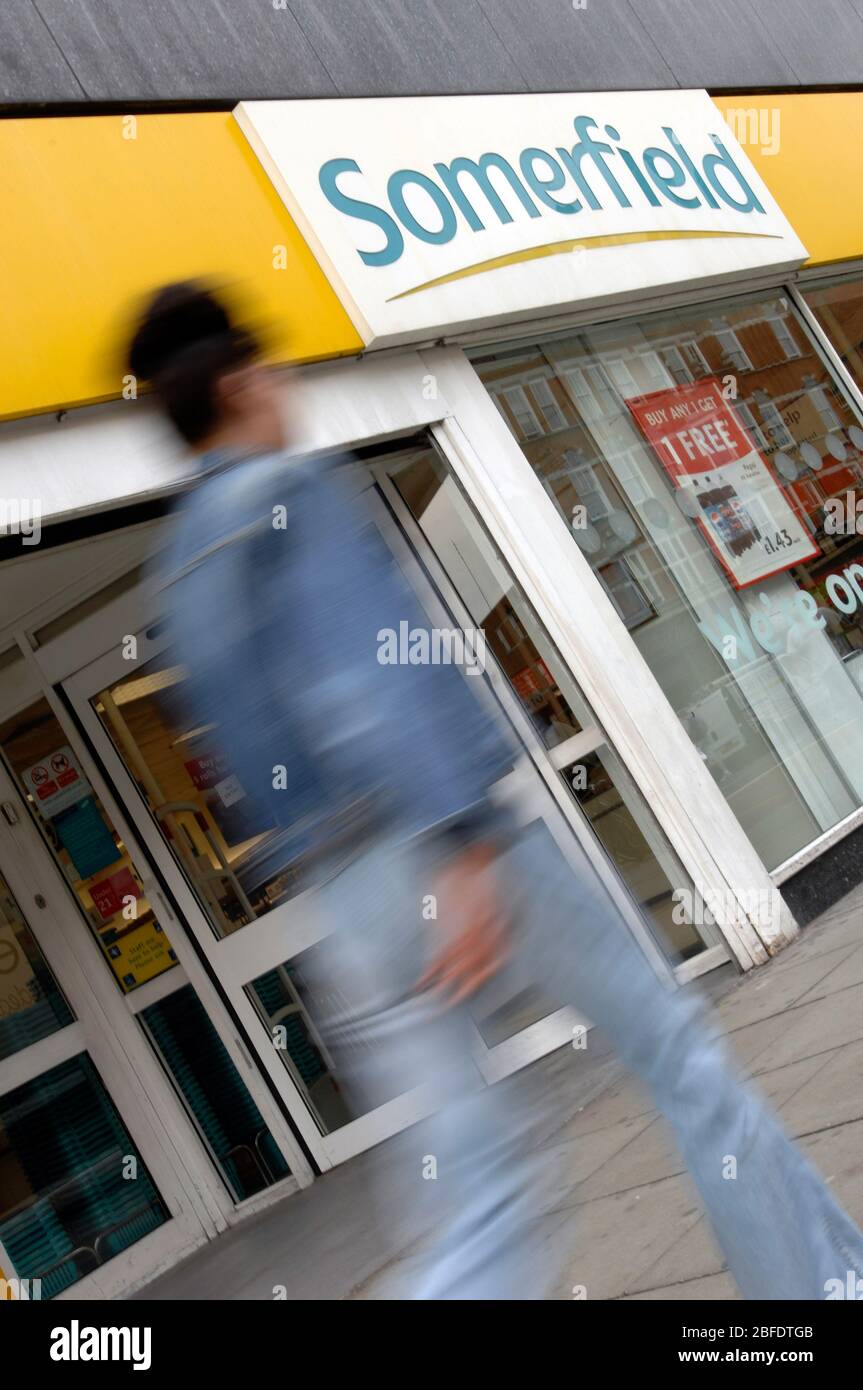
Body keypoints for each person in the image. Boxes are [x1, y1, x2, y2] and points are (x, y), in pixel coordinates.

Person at [129, 281, 863, 1300]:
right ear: (240, 380)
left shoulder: (177, 579)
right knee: (680, 1061)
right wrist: (458, 845)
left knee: (479, 1199)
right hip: (442, 853)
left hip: (344, 907)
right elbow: (373, 680)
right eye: (275, 370)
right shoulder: (291, 498)